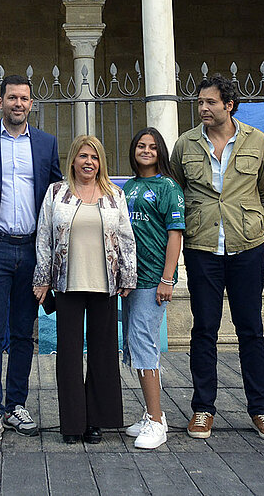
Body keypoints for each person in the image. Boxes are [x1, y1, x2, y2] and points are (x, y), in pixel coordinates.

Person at [168, 75, 264, 441]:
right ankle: (203, 409)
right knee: (204, 330)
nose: (203, 108)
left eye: (210, 102)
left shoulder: (256, 141)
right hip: (202, 247)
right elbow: (176, 190)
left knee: (251, 329)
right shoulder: (185, 144)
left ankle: (261, 410)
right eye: (200, 102)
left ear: (229, 105)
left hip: (247, 245)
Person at [0, 74, 62, 441]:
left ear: (31, 103)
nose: (18, 104)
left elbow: (56, 195)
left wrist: (55, 255)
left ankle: (16, 405)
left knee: (24, 332)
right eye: (12, 98)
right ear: (0, 101)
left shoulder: (46, 143)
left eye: (24, 98)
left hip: (31, 250)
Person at [34, 134, 137, 444]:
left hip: (104, 284)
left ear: (100, 162)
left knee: (103, 354)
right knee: (67, 356)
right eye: (82, 156)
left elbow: (126, 237)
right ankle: (72, 424)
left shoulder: (114, 195)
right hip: (67, 284)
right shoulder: (56, 193)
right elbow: (43, 238)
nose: (88, 162)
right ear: (73, 161)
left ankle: (96, 421)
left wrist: (128, 276)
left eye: (94, 157)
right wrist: (41, 278)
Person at [120, 127, 183, 450]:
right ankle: (150, 413)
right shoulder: (129, 186)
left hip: (153, 280)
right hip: (130, 280)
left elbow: (175, 234)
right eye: (141, 145)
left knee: (145, 347)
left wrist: (167, 278)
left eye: (152, 146)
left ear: (160, 152)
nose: (146, 150)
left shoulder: (168, 187)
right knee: (133, 345)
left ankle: (157, 421)